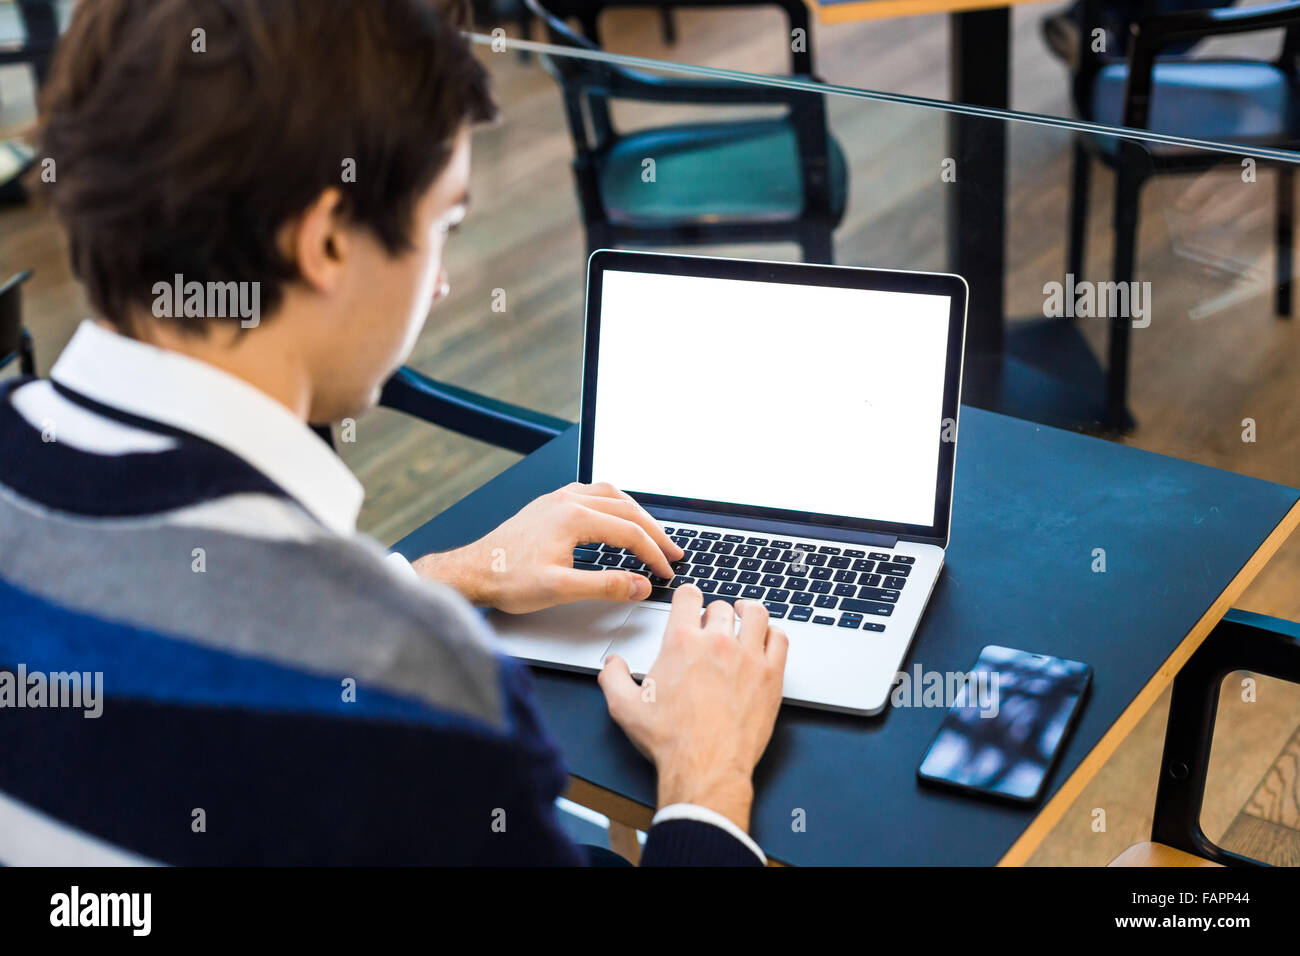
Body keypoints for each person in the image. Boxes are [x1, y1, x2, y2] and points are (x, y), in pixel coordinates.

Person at [0, 0, 787, 866]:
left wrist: (444, 579)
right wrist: (706, 783)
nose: (443, 283)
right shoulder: (416, 705)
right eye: (441, 226)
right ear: (329, 243)